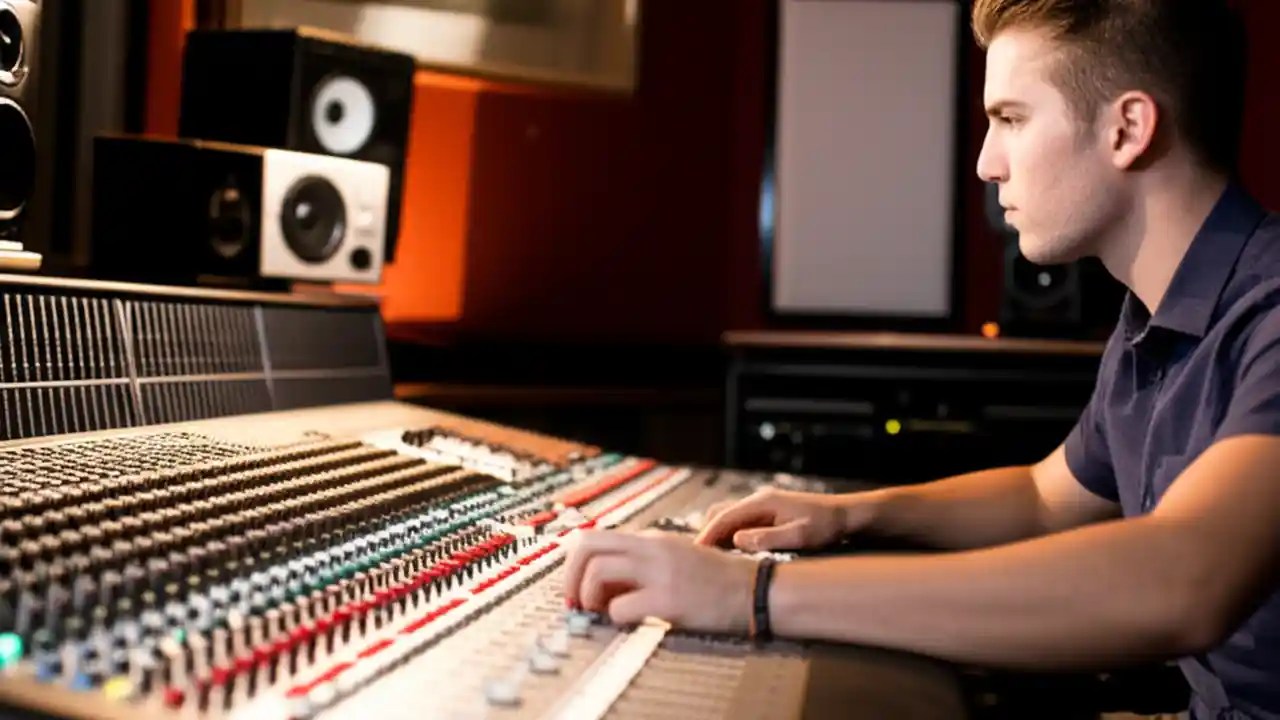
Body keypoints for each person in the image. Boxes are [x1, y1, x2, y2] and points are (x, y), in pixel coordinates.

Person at [562, 1, 1280, 717]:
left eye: (1011, 119)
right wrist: (846, 516)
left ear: (1127, 128)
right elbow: (1045, 497)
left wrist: (747, 596)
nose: (986, 163)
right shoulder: (1148, 318)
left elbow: (1182, 579)